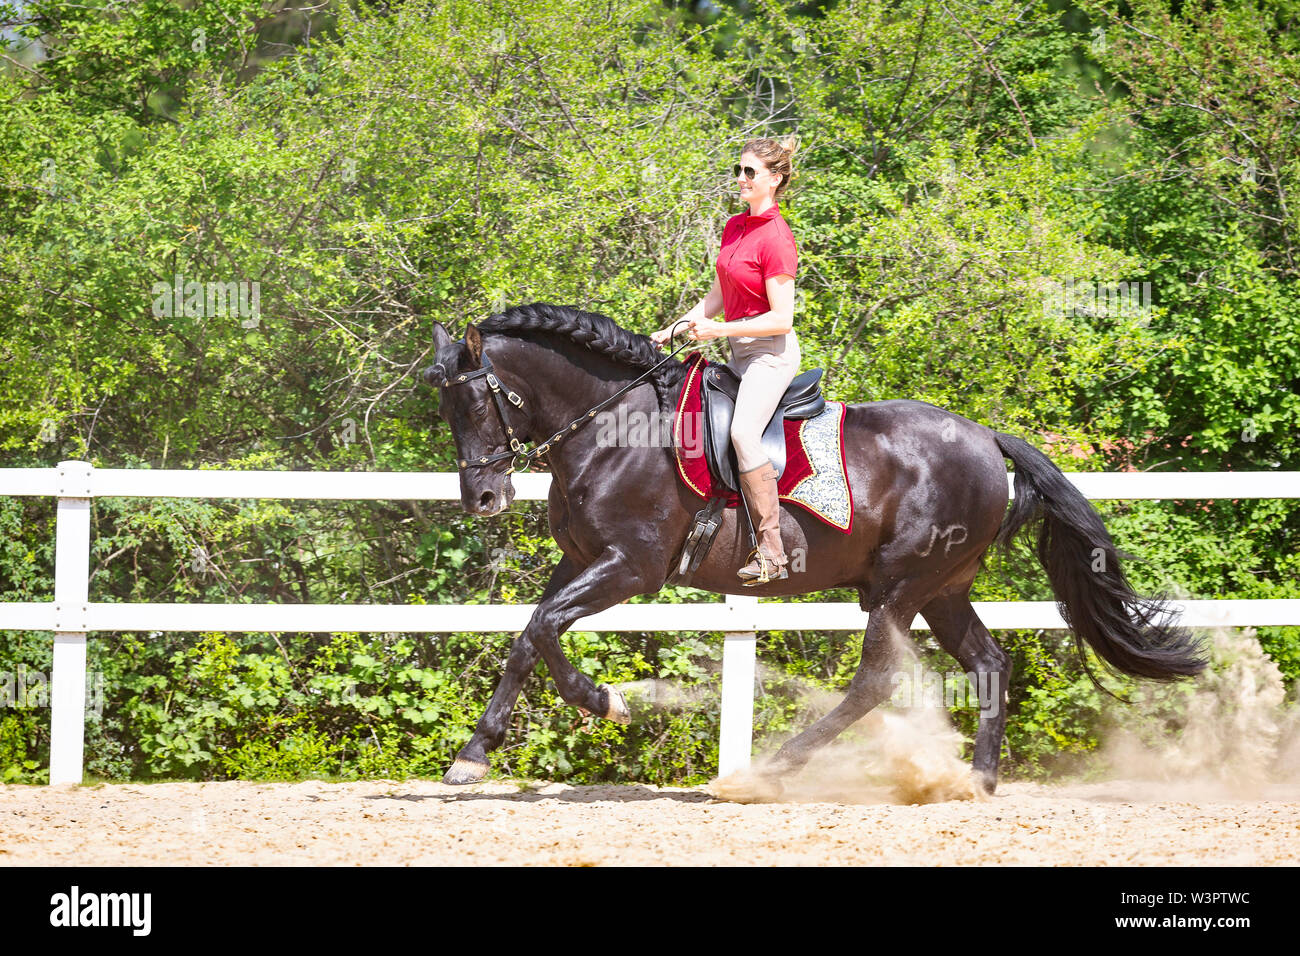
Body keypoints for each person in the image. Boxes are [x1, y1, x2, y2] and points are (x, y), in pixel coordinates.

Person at [651, 136, 801, 584]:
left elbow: (781, 318)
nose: (740, 178)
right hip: (739, 353)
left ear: (774, 179)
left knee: (742, 433)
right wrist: (675, 327)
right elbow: (717, 297)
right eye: (740, 170)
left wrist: (720, 332)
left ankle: (772, 552)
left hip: (770, 357)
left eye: (750, 172)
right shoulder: (735, 226)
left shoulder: (777, 239)